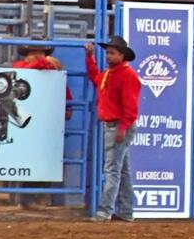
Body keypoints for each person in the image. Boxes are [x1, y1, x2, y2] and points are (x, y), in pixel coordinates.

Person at [85, 37, 141, 222]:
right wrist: (90, 58)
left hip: (118, 125)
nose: (108, 56)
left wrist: (122, 128)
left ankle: (105, 210)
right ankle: (125, 211)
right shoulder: (113, 73)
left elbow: (130, 107)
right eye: (108, 52)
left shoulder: (125, 75)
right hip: (117, 125)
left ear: (122, 55)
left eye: (112, 53)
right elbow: (96, 79)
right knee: (121, 170)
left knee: (112, 170)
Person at [12, 42, 73, 209]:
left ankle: (36, 197)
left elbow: (62, 88)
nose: (37, 55)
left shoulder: (52, 71)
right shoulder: (21, 67)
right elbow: (22, 72)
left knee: (46, 159)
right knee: (28, 159)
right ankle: (27, 198)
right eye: (34, 52)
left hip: (46, 121)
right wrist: (45, 62)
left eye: (41, 52)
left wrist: (67, 106)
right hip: (25, 120)